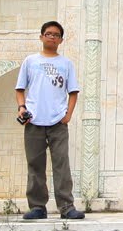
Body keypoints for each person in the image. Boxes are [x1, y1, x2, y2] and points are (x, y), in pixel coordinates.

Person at [15, 20, 84, 220]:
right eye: (48, 33)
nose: (51, 37)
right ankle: (37, 207)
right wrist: (22, 108)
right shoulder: (30, 61)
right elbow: (20, 89)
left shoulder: (66, 64)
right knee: (35, 165)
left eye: (56, 35)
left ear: (61, 40)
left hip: (57, 123)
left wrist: (68, 115)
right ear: (41, 37)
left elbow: (73, 92)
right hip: (34, 121)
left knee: (61, 164)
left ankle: (66, 207)